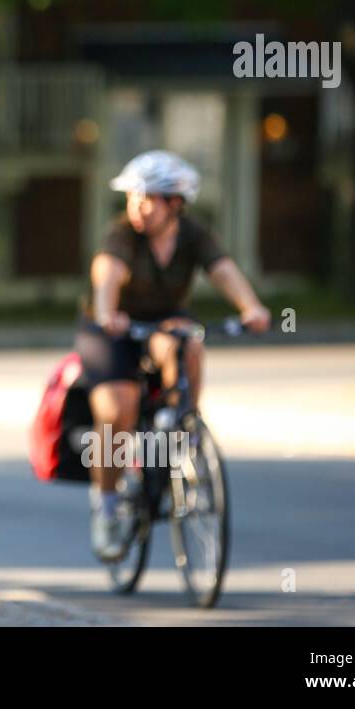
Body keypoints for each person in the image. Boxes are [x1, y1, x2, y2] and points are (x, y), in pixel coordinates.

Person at [75, 150, 269, 561]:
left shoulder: (194, 235)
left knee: (188, 342)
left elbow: (222, 269)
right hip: (112, 329)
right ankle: (107, 508)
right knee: (118, 407)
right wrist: (109, 312)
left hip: (163, 322)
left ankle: (183, 427)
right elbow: (107, 271)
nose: (137, 208)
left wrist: (250, 307)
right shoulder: (122, 235)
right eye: (131, 197)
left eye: (146, 198)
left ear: (174, 204)